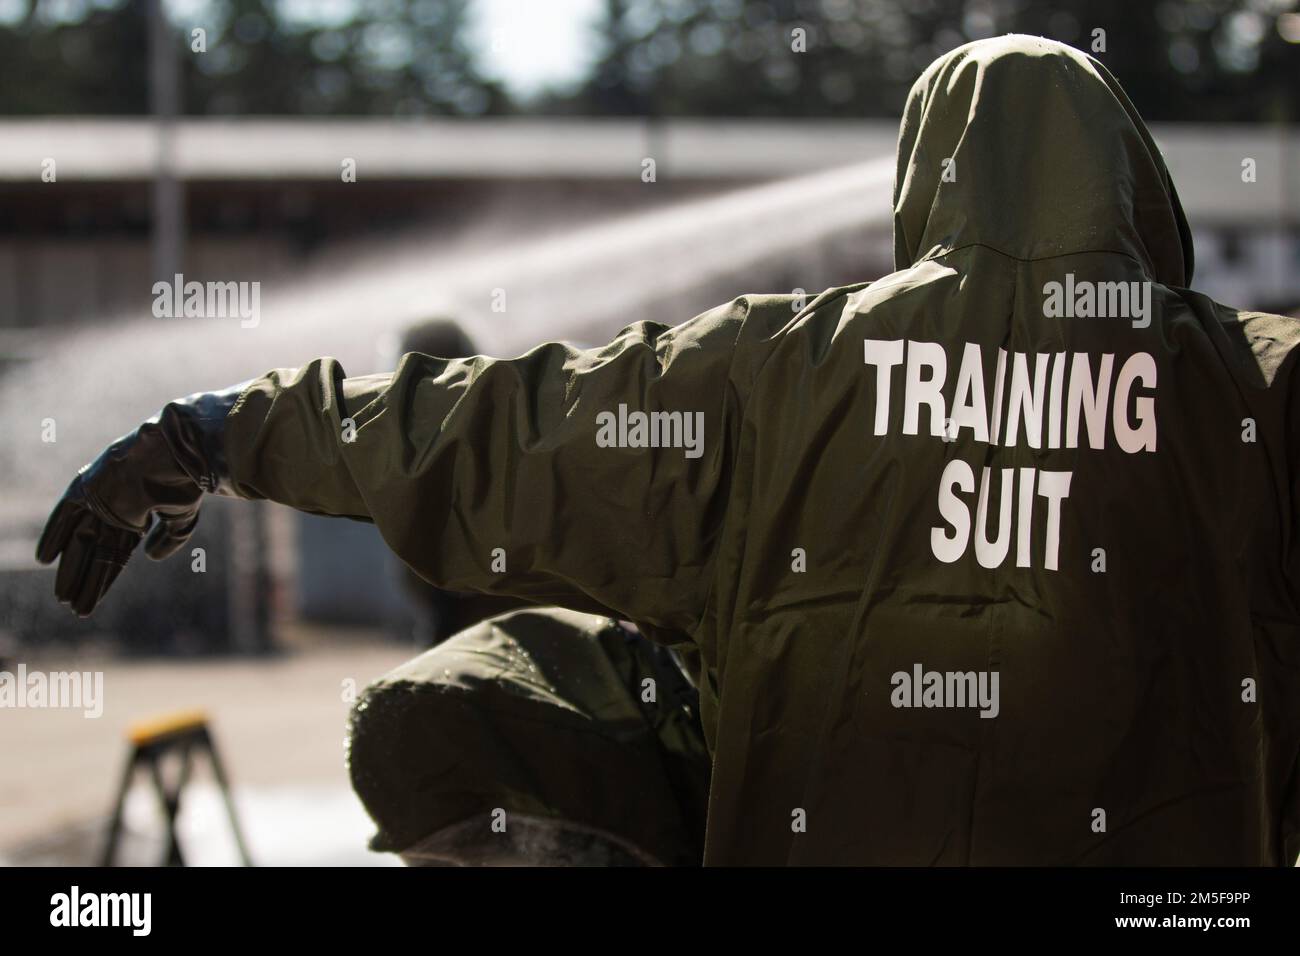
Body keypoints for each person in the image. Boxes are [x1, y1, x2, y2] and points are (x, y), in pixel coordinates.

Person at [36, 35, 1300, 865]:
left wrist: (213, 432)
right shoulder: (1252, 385)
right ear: (1135, 185)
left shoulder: (774, 371)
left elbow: (492, 427)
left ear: (931, 182)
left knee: (496, 683)